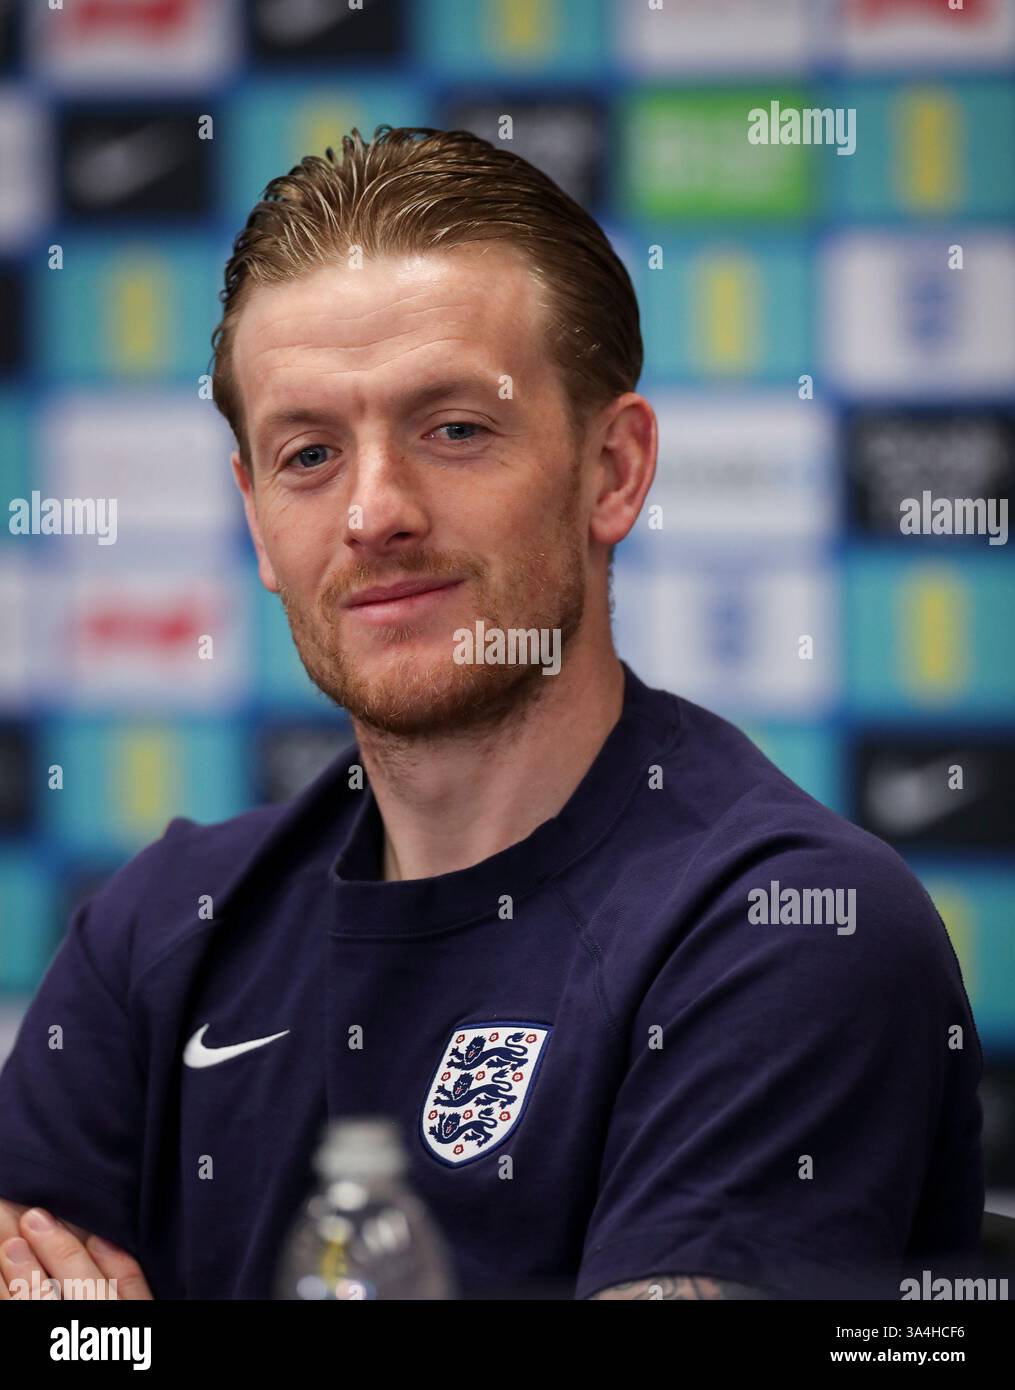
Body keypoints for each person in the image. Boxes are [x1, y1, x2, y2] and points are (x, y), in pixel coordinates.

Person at [0, 127, 983, 1301]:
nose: (375, 512)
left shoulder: (793, 927)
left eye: (454, 429)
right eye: (309, 453)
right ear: (258, 518)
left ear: (611, 470)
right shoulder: (160, 929)